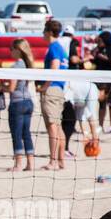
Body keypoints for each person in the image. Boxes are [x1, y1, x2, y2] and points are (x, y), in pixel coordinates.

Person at [38, 19, 68, 170]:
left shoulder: (54, 47)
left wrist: (44, 86)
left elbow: (54, 67)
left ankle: (53, 161)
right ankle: (61, 160)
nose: (42, 34)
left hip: (52, 90)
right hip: (59, 89)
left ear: (50, 32)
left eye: (44, 31)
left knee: (52, 127)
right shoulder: (60, 47)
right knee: (58, 126)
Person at [4, 38, 37, 171]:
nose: (10, 52)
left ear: (18, 50)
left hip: (17, 102)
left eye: (11, 49)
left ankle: (18, 164)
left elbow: (12, 88)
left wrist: (1, 88)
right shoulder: (28, 64)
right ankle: (30, 164)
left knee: (16, 134)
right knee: (26, 134)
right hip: (28, 101)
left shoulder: (16, 66)